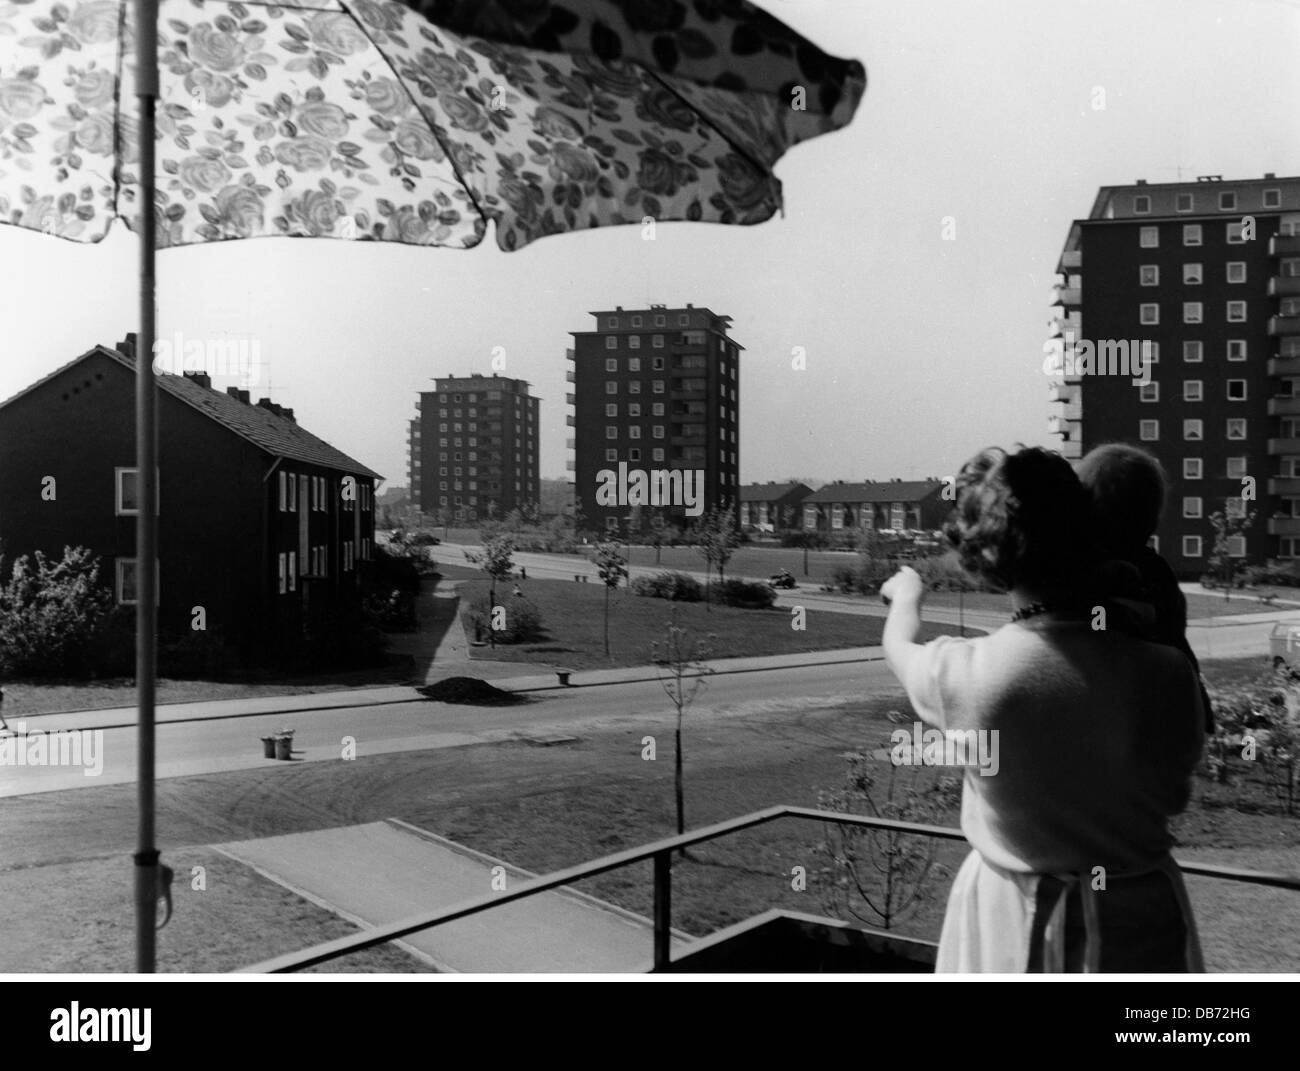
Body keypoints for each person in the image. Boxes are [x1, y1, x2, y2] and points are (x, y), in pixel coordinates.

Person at [880, 445, 1206, 972]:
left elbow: (899, 647)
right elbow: (1175, 789)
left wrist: (906, 593)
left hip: (1016, 918)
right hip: (1146, 915)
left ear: (990, 559)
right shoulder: (1168, 670)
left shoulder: (969, 673)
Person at [1075, 442, 1214, 733]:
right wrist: (1200, 705)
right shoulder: (1157, 572)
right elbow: (1175, 636)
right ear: (1152, 519)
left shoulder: (1080, 568)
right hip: (1154, 705)